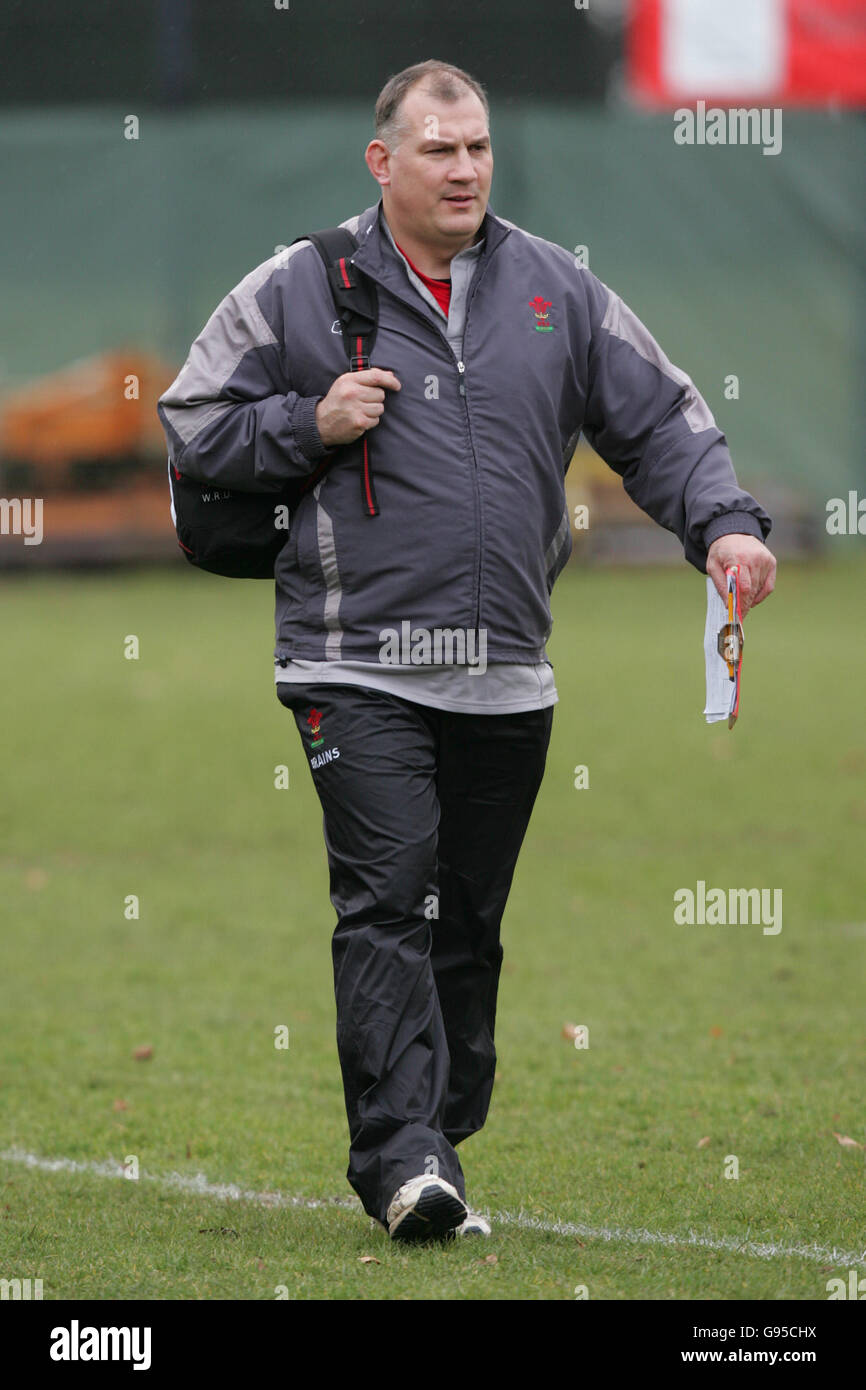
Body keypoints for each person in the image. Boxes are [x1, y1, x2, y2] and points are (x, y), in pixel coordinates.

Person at [158, 59, 776, 1243]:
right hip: (354, 664)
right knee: (388, 897)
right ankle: (402, 1164)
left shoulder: (555, 287)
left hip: (506, 672)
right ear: (382, 162)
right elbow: (192, 424)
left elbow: (657, 418)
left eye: (478, 147)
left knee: (465, 923)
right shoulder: (300, 285)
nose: (464, 169)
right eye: (438, 149)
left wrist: (728, 527)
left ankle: (437, 1126)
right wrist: (310, 419)